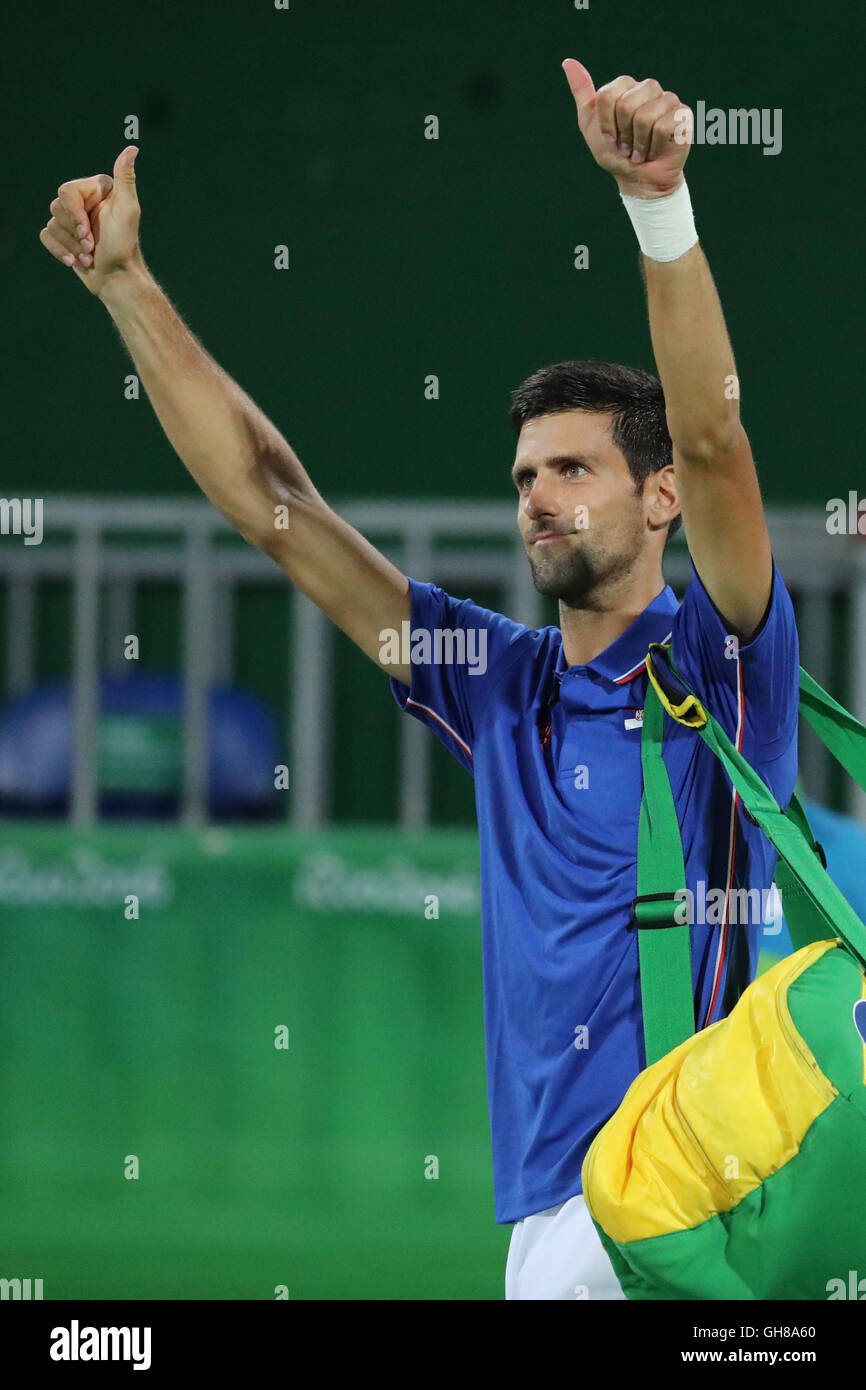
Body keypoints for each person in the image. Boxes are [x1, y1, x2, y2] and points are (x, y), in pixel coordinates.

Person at [38, 58, 800, 1299]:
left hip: (679, 1200)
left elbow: (713, 435)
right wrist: (124, 283)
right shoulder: (491, 681)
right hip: (550, 1215)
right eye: (522, 478)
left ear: (660, 497)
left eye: (572, 470)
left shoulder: (725, 668)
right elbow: (276, 506)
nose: (536, 499)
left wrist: (656, 202)